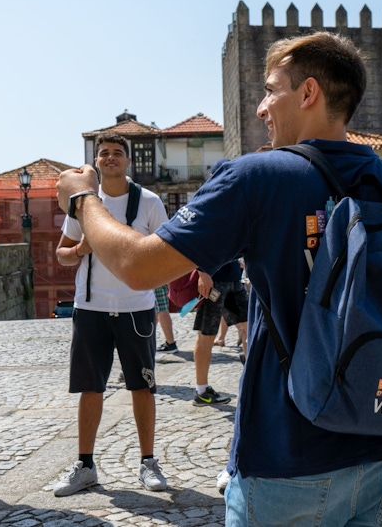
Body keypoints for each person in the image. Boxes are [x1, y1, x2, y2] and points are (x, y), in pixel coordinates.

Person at [56, 32, 382, 526]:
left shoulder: (255, 176)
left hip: (289, 454)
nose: (261, 107)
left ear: (308, 94)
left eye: (270, 89)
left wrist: (84, 199)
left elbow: (138, 267)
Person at [53, 133, 170, 497]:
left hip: (137, 308)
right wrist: (80, 250)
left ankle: (148, 461)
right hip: (91, 308)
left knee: (143, 386)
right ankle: (85, 465)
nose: (110, 158)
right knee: (90, 388)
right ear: (97, 162)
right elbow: (61, 253)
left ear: (128, 161)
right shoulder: (84, 203)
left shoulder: (149, 202)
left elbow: (166, 249)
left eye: (117, 153)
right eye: (103, 153)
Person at [191, 259, 248, 407]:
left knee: (249, 327)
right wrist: (202, 272)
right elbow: (196, 241)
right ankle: (201, 392)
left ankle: (254, 381)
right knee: (207, 335)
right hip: (213, 281)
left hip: (234, 277)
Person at [154, 284, 177, 353]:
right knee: (157, 309)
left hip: (156, 279)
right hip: (161, 278)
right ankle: (148, 340)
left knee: (161, 309)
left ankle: (171, 343)